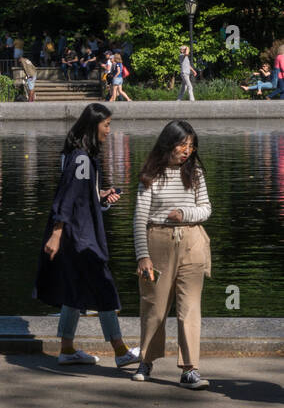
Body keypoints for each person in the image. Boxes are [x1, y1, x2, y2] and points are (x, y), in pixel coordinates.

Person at [34, 103, 140, 369]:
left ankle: (67, 348)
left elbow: (79, 195)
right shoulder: (81, 158)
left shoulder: (76, 154)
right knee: (103, 284)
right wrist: (56, 233)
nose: (109, 130)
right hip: (80, 235)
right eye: (106, 125)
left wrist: (100, 196)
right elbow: (67, 195)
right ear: (94, 126)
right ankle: (120, 350)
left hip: (76, 231)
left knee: (75, 288)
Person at [132, 121, 212, 388]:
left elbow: (206, 209)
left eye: (191, 145)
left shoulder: (196, 172)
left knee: (190, 307)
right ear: (169, 143)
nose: (187, 151)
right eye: (182, 144)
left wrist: (184, 214)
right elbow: (139, 217)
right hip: (158, 240)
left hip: (192, 240)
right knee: (154, 305)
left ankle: (190, 368)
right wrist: (142, 256)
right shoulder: (151, 174)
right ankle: (146, 358)